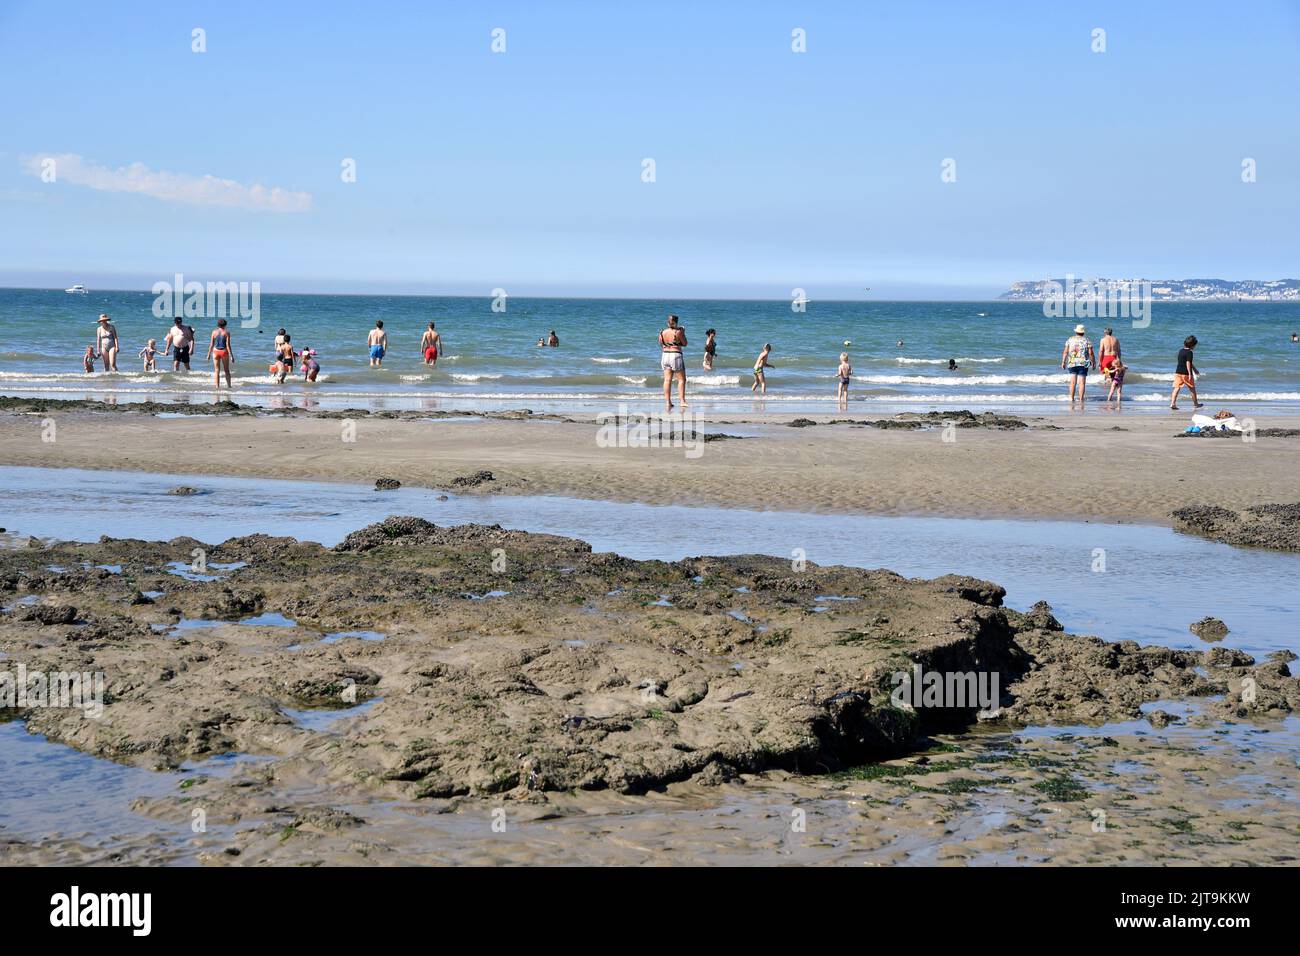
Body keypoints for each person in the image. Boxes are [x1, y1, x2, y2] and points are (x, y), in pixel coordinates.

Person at [1060, 323, 1096, 403]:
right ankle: (1081, 399)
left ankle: (1072, 399)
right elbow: (1091, 353)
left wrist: (1063, 362)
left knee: (1072, 382)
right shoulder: (1087, 340)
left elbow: (1065, 352)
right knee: (1082, 383)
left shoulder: (1070, 339)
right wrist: (1093, 362)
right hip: (1084, 362)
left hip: (1072, 362)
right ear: (1083, 332)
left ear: (1076, 332)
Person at [658, 313, 687, 410]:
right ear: (676, 322)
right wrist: (683, 332)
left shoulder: (662, 332)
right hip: (675, 354)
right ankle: (682, 401)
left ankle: (668, 402)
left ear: (667, 322)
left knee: (667, 379)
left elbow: (661, 344)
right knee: (681, 380)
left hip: (665, 355)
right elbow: (685, 343)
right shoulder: (678, 332)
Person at [1170, 335, 1203, 410]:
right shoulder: (1190, 352)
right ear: (1192, 345)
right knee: (1192, 389)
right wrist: (1190, 373)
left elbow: (1187, 362)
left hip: (1178, 372)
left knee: (1176, 388)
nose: (1195, 347)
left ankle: (1172, 403)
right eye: (1195, 345)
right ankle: (1196, 404)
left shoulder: (1181, 350)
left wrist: (1194, 369)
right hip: (1186, 373)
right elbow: (1188, 363)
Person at [206, 318, 234, 389]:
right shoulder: (226, 332)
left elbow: (211, 344)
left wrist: (208, 354)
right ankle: (229, 386)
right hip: (224, 351)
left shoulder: (214, 332)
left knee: (216, 370)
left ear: (218, 324)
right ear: (225, 325)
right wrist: (231, 356)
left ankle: (217, 387)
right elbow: (228, 345)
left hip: (215, 352)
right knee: (226, 370)